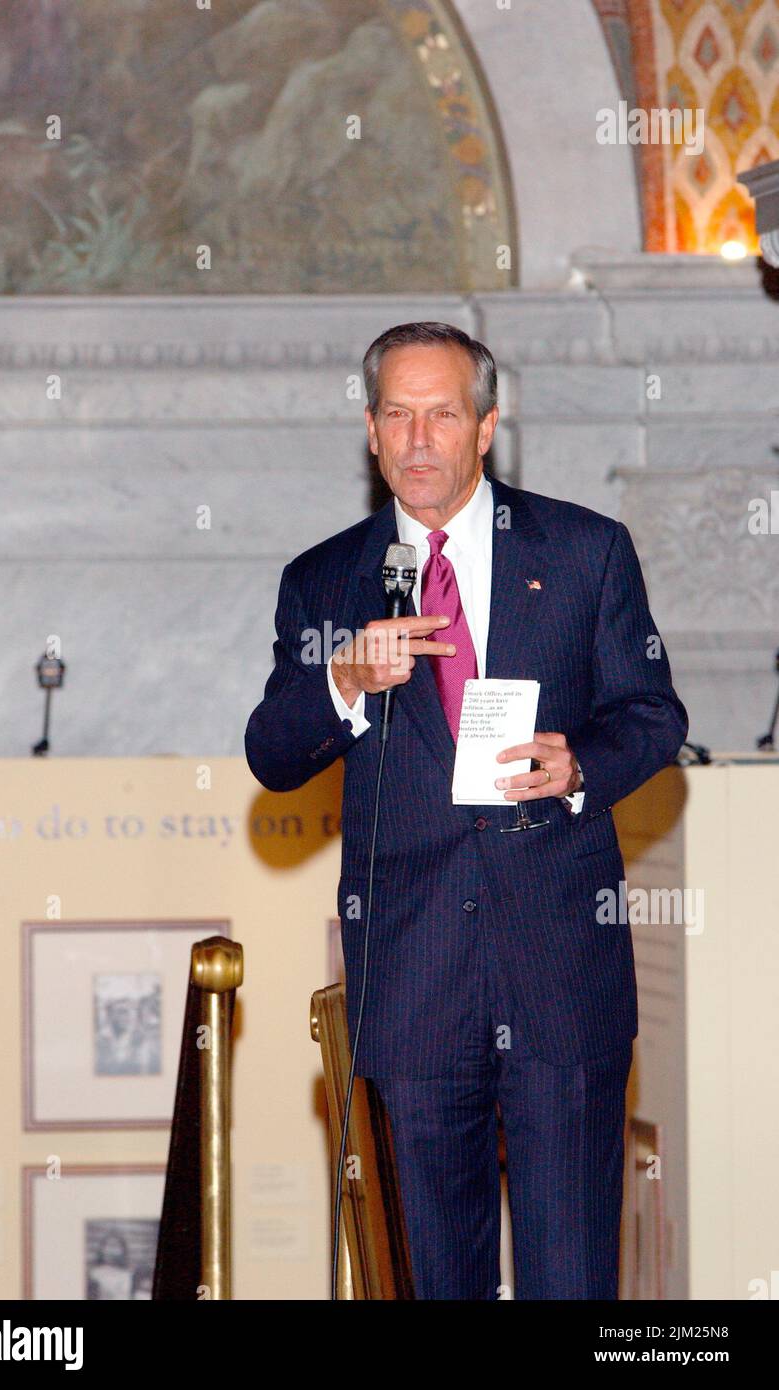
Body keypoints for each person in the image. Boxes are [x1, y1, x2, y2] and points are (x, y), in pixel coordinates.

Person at [244, 321, 687, 1300]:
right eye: (395, 414)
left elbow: (653, 717)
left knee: (569, 1277)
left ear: (485, 426)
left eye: (440, 412)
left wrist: (579, 763)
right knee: (433, 1279)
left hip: (560, 976)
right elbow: (270, 756)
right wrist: (343, 679)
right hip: (411, 988)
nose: (417, 438)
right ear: (367, 430)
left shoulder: (582, 551)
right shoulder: (325, 582)